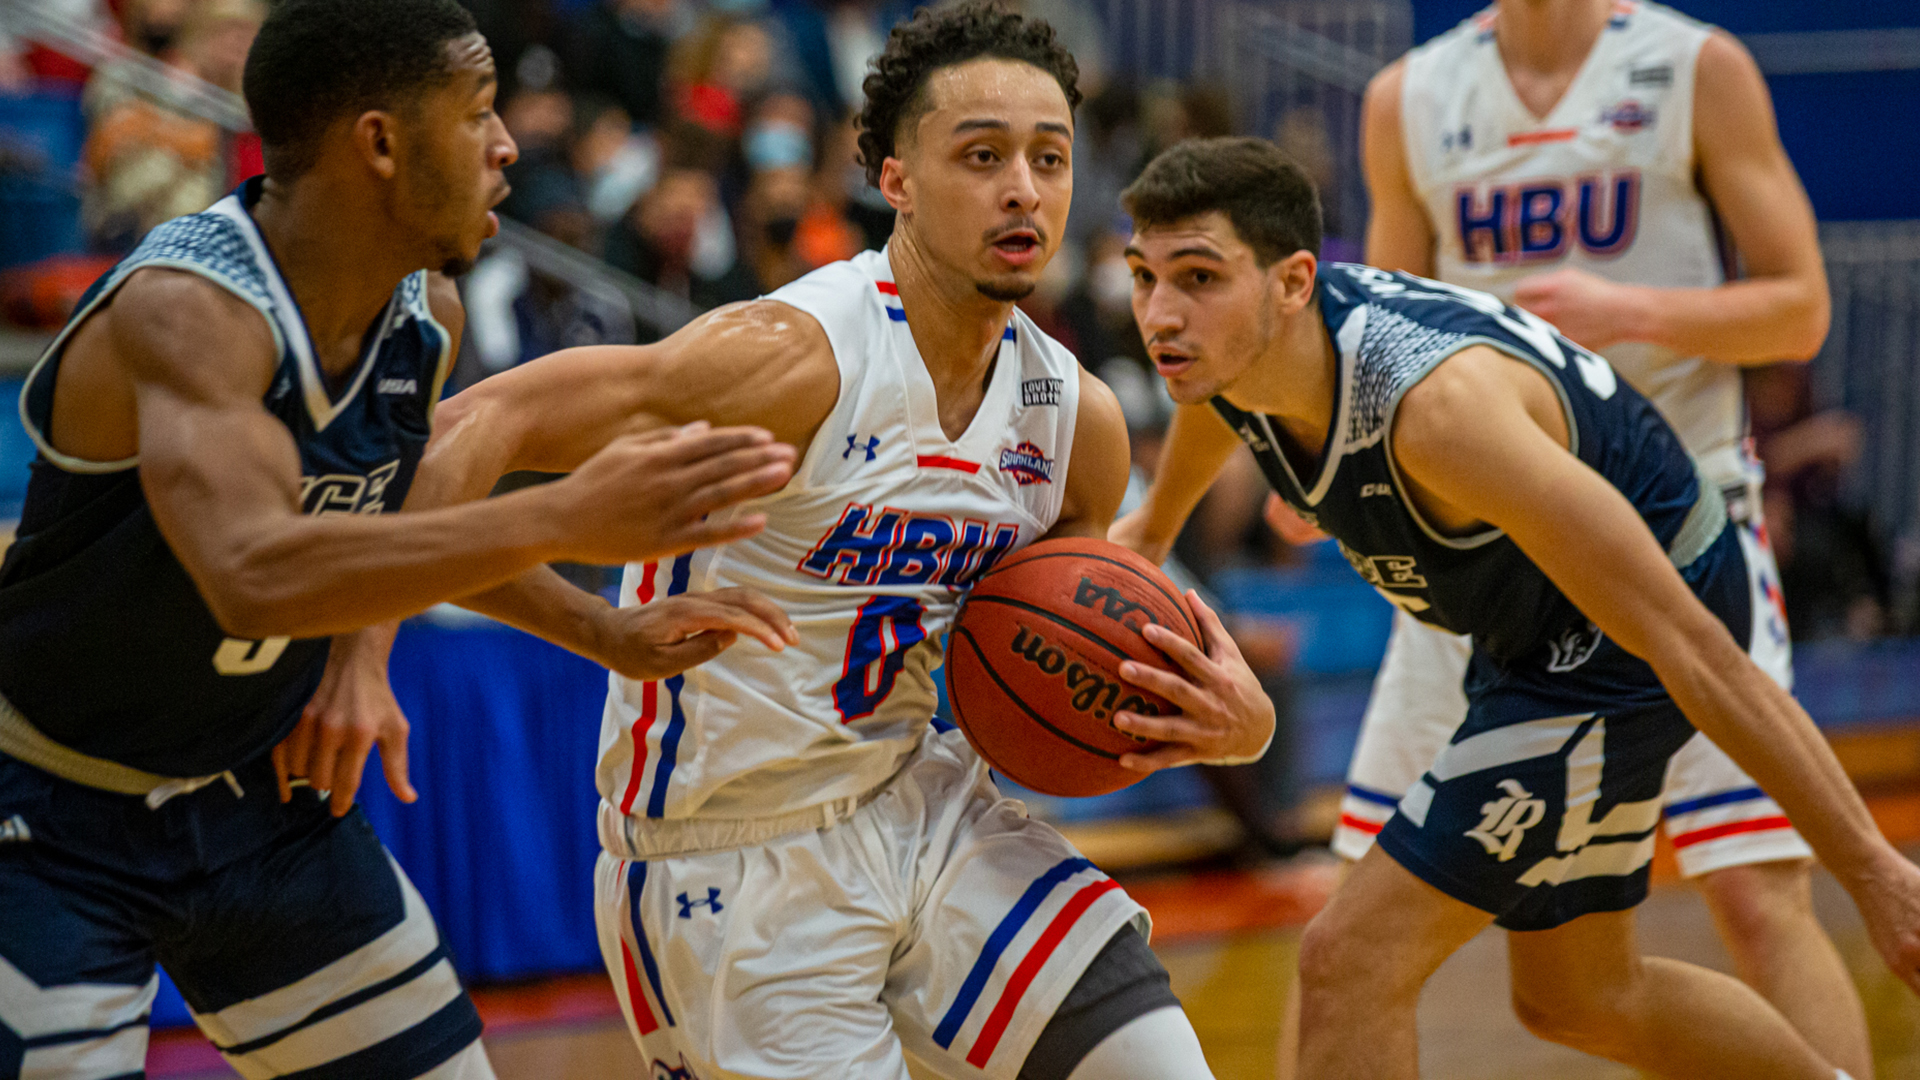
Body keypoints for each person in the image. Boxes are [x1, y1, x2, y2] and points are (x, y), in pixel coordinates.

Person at [349, 7, 1276, 1078]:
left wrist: (1230, 719)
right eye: (982, 155)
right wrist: (505, 637)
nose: (1024, 187)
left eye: (1050, 157)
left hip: (927, 816)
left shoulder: (1073, 423)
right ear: (896, 179)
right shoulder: (790, 360)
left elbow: (1092, 643)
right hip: (732, 864)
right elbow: (473, 430)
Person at [0, 1, 798, 1076]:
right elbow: (254, 570)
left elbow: (392, 525)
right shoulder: (187, 311)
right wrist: (561, 514)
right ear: (379, 142)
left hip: (256, 807)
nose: (509, 145)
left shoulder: (425, 314)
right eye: (478, 114)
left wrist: (602, 629)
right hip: (50, 817)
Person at [1110, 136, 1920, 1079]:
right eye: (1142, 276)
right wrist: (1154, 533)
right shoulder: (1239, 348)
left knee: (1351, 957)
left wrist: (1875, 874)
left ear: (1294, 282)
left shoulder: (1438, 415)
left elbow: (1697, 650)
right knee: (1580, 998)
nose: (1160, 317)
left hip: (1633, 633)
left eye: (1197, 277)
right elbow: (1214, 400)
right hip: (1532, 630)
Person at [1326, 0, 1873, 1073]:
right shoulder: (1408, 98)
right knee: (1354, 918)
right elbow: (1372, 330)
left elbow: (1799, 310)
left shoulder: (1696, 67)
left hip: (1678, 524)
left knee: (1759, 891)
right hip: (1486, 548)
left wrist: (1633, 314)